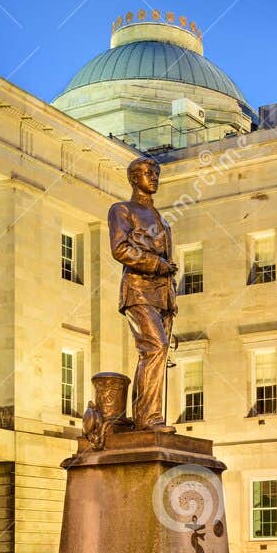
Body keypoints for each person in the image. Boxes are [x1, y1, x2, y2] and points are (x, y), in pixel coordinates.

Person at [107, 157, 177, 430]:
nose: (155, 177)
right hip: (138, 289)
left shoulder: (161, 218)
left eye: (157, 173)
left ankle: (145, 417)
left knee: (155, 353)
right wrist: (157, 264)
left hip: (163, 295)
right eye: (149, 173)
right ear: (135, 178)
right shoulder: (122, 209)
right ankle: (149, 419)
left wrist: (171, 298)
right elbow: (120, 249)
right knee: (155, 347)